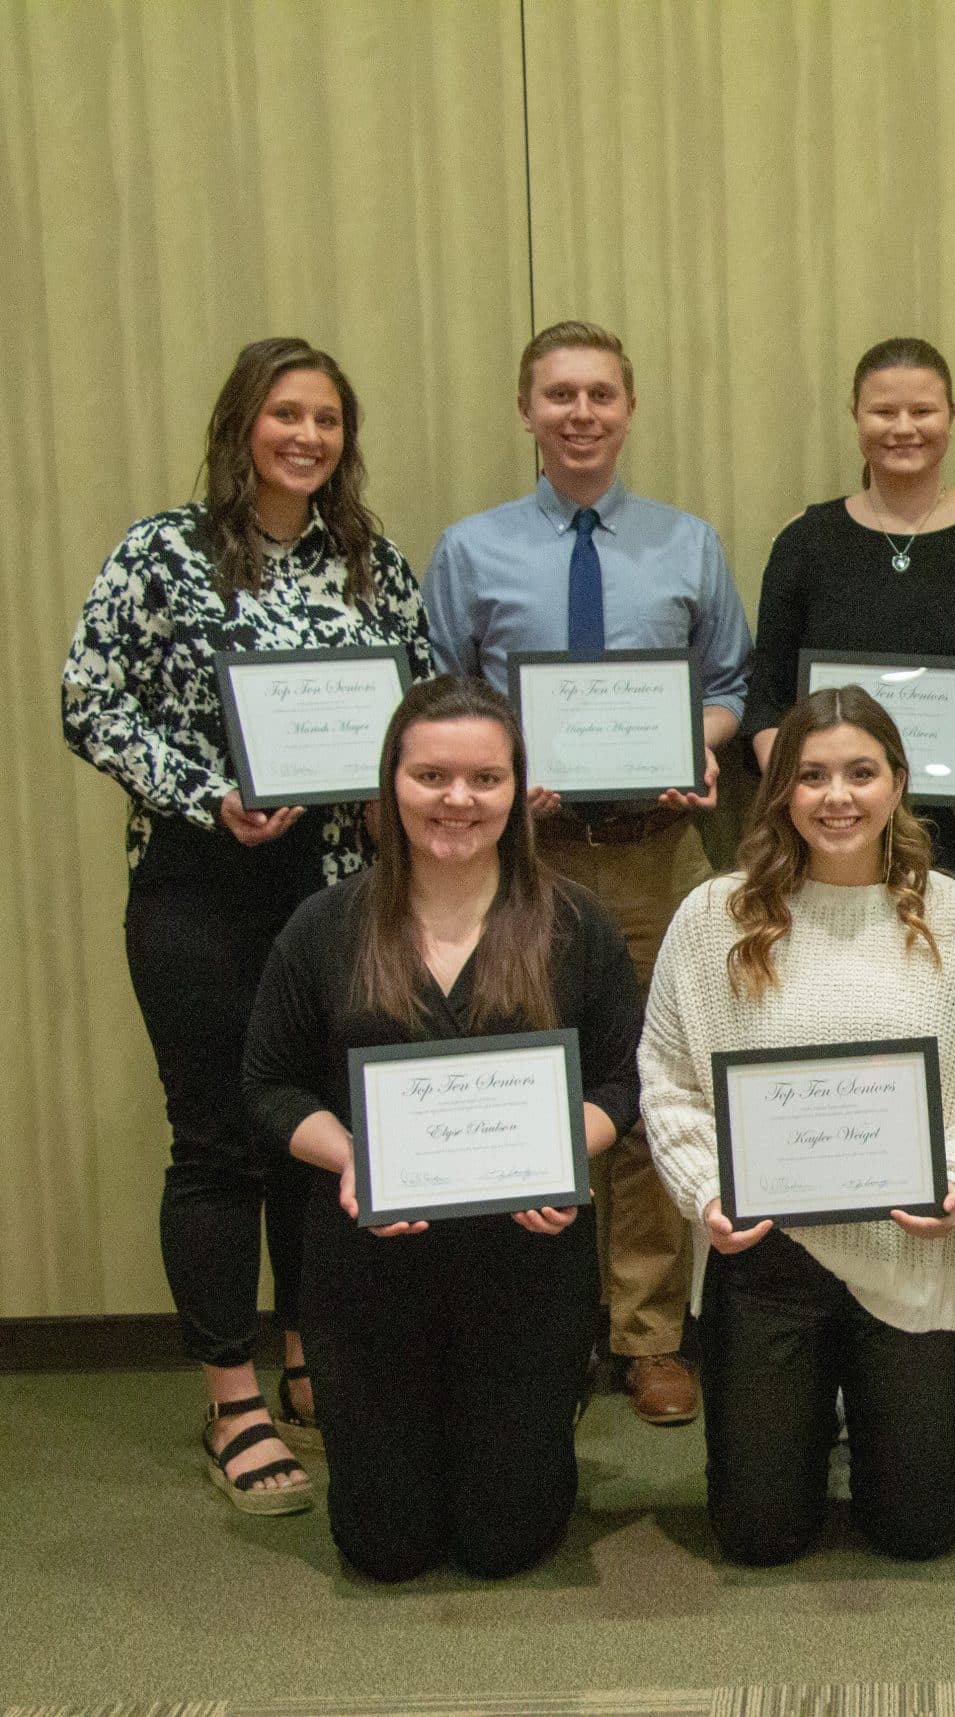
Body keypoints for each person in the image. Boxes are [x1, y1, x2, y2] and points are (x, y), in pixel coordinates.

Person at [60, 336, 430, 1515]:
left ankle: (313, 1355)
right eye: (286, 416)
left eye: (327, 419)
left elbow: (422, 702)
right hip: (198, 887)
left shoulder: (373, 561)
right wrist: (200, 787)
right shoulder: (158, 555)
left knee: (318, 1136)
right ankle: (233, 1393)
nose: (307, 438)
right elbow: (88, 698)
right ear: (242, 427)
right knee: (219, 1137)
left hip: (338, 892)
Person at [424, 319, 752, 1428]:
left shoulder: (687, 542)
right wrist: (509, 775)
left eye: (599, 395)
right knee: (524, 1089)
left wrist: (695, 748)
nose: (579, 414)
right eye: (558, 394)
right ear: (525, 410)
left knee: (656, 1093)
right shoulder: (471, 550)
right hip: (517, 865)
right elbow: (443, 705)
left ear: (627, 408)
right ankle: (543, 1330)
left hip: (661, 858)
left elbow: (730, 685)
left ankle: (651, 1335)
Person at [242, 676, 642, 1579]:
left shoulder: (574, 924)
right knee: (384, 1547)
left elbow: (622, 1079)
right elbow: (268, 1086)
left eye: (484, 779)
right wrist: (354, 1159)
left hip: (526, 1264)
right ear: (390, 785)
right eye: (430, 775)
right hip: (369, 1265)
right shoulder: (325, 924)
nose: (457, 799)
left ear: (517, 790)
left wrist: (559, 1155)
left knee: (505, 1543)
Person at [639, 687, 955, 1565]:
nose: (838, 796)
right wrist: (708, 1190)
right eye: (813, 775)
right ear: (781, 789)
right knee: (758, 1534)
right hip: (765, 1253)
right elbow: (668, 1083)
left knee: (921, 1530)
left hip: (917, 1246)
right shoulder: (714, 919)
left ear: (899, 782)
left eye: (862, 772)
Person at [741, 337, 955, 931]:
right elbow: (768, 695)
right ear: (856, 419)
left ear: (951, 416)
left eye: (922, 411)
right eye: (883, 412)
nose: (904, 428)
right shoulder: (805, 542)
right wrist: (803, 785)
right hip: (836, 834)